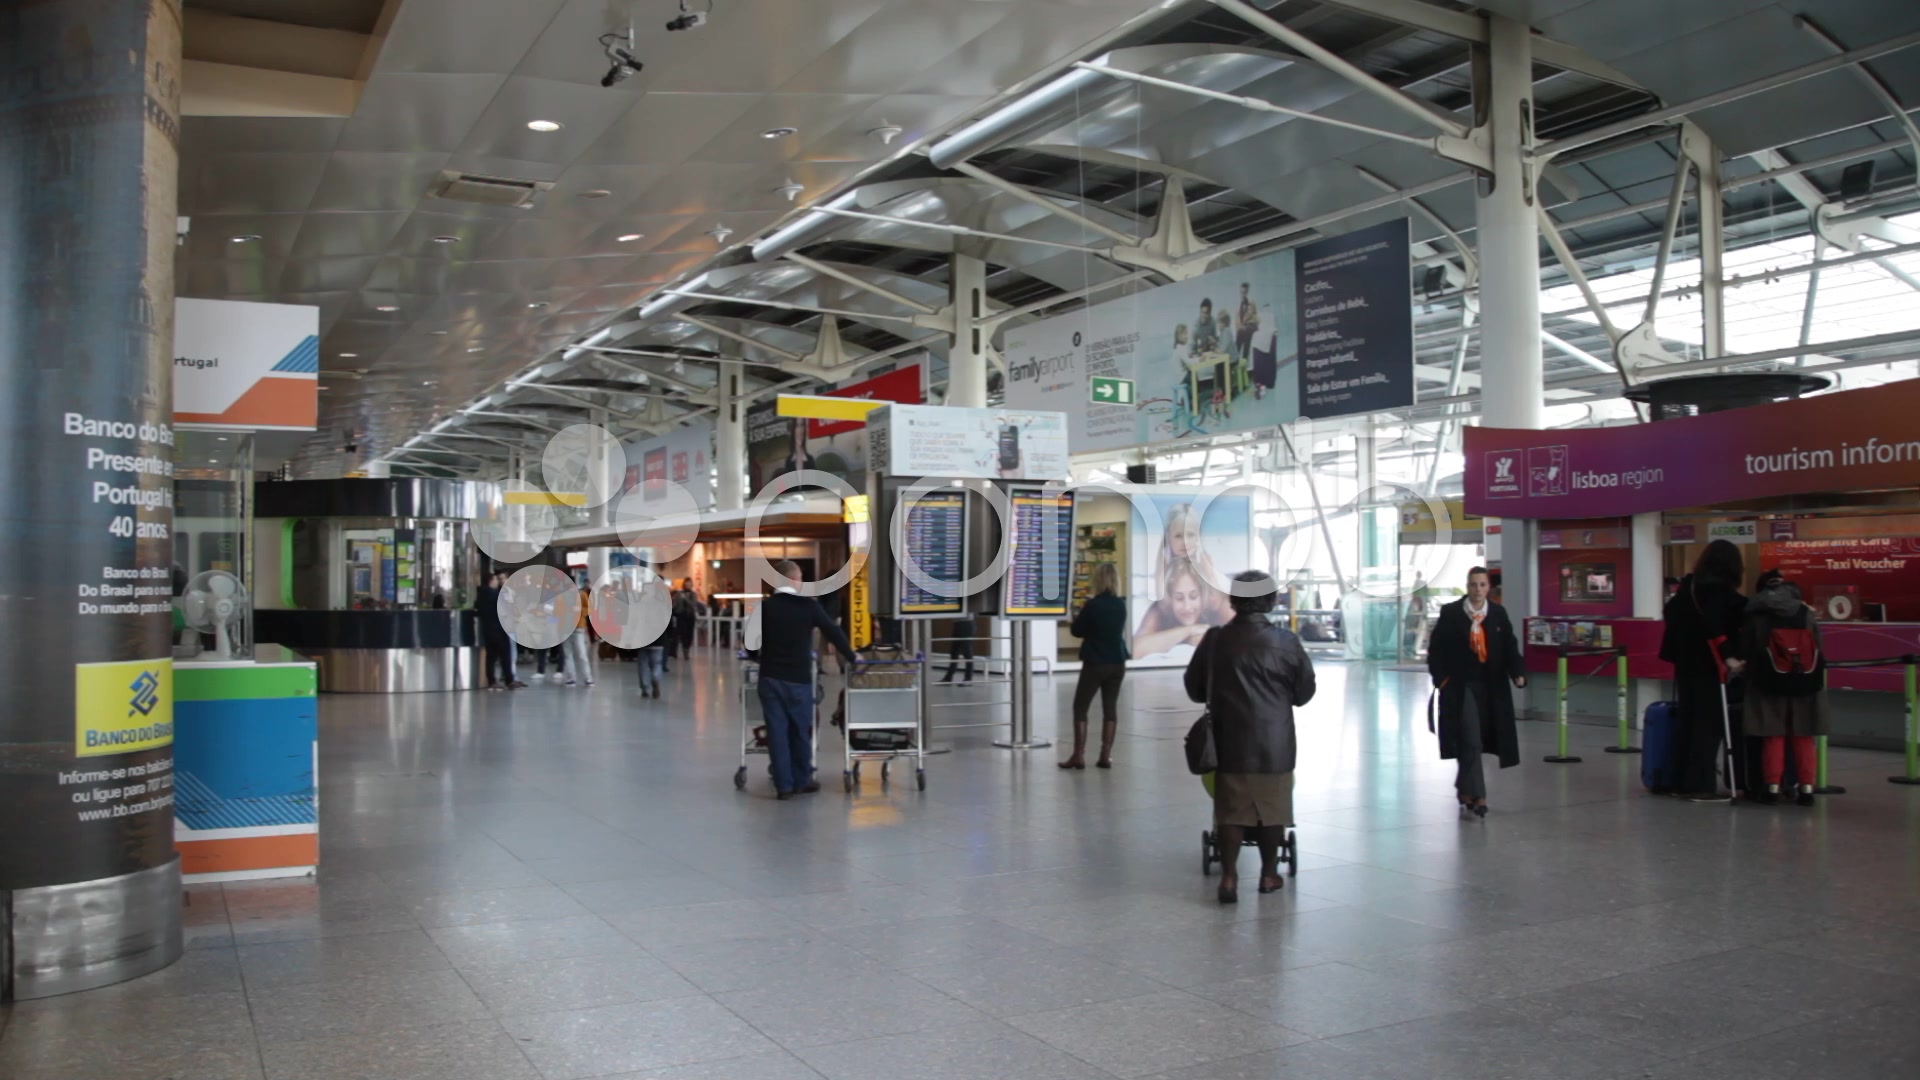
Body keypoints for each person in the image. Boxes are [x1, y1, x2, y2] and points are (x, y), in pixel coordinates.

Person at [1185, 571, 1316, 904]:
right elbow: (1304, 693)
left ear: (1233, 600)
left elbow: (1194, 689)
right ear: (1271, 601)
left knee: (1229, 810)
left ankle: (1229, 877)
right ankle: (1268, 874)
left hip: (1228, 740)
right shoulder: (1287, 642)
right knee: (1272, 809)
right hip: (1275, 741)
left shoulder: (1214, 640)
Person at [747, 560, 857, 800]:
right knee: (800, 730)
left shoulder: (764, 608)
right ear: (795, 581)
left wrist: (758, 656)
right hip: (798, 679)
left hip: (770, 679)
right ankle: (803, 778)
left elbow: (751, 647)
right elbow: (833, 630)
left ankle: (783, 786)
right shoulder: (809, 607)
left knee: (776, 731)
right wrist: (851, 656)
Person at [1426, 566, 1526, 817]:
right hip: (1461, 686)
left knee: (1475, 741)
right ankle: (1479, 795)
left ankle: (1463, 787)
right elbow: (1436, 649)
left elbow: (1510, 646)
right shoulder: (1451, 613)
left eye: (1482, 585)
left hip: (1491, 687)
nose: (1478, 590)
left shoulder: (1497, 614)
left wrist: (1518, 673)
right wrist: (1441, 679)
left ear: (1488, 587)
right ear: (1467, 586)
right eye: (1473, 585)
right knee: (1471, 738)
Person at [1660, 539, 1748, 801]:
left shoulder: (1688, 590)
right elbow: (1720, 625)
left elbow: (1671, 616)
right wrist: (1731, 656)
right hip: (1711, 665)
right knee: (1708, 725)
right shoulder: (1722, 595)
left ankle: (1679, 780)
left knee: (1687, 721)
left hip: (1685, 664)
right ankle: (1699, 784)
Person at [1736, 569, 1829, 806]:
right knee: (1802, 734)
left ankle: (1772, 787)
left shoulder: (1754, 613)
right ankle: (1806, 788)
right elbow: (1817, 646)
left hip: (1767, 680)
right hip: (1803, 679)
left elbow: (1746, 648)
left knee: (1773, 734)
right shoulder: (1805, 612)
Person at [1063, 562, 1128, 769]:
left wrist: (1076, 618)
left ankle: (1079, 755)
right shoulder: (1121, 604)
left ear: (1098, 580)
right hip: (1117, 661)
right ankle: (1105, 755)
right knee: (1110, 708)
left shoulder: (1093, 605)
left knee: (1080, 707)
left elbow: (1078, 631)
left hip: (1095, 662)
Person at [1133, 558, 1214, 656]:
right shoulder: (1160, 610)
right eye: (1179, 598)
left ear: (1202, 595)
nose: (1187, 607)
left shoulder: (1213, 608)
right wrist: (1189, 631)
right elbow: (1136, 649)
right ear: (1170, 598)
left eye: (1193, 597)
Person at [476, 572, 522, 690]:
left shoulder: (481, 595)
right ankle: (509, 679)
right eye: (496, 580)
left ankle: (492, 680)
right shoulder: (497, 595)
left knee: (490, 657)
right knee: (505, 655)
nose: (497, 582)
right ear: (491, 581)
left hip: (487, 629)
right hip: (500, 629)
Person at [562, 585, 595, 687]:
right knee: (568, 655)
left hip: (577, 628)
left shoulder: (582, 595)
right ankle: (571, 677)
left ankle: (587, 677)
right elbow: (557, 613)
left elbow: (589, 608)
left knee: (581, 654)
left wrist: (579, 610)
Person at [940, 616, 977, 683]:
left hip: (966, 624)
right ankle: (948, 677)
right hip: (957, 624)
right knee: (954, 653)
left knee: (967, 653)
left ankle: (968, 679)